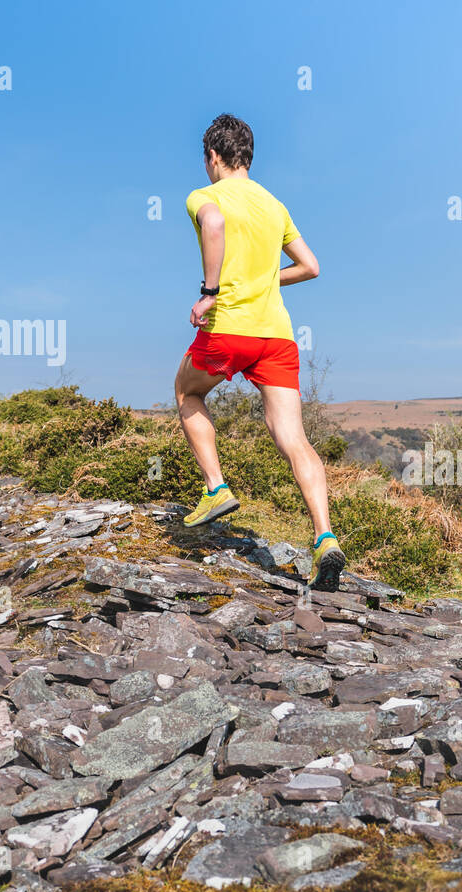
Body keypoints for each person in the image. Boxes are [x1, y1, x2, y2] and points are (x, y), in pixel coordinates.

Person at [173, 113, 345, 592]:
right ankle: (325, 538)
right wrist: (269, 278)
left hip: (230, 328)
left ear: (212, 156)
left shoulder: (205, 196)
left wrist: (210, 291)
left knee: (186, 392)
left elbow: (212, 223)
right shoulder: (275, 205)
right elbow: (310, 267)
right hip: (277, 336)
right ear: (247, 155)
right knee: (294, 438)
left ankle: (216, 488)